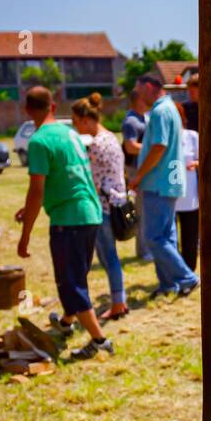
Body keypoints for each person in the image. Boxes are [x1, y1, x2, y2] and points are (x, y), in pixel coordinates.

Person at [16, 86, 112, 360]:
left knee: (70, 282)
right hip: (89, 213)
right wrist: (29, 208)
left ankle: (100, 340)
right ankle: (67, 322)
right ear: (53, 107)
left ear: (27, 110)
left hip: (68, 220)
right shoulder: (69, 132)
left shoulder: (39, 141)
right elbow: (65, 177)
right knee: (76, 276)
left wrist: (25, 236)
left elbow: (36, 190)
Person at [127, 74, 199, 298]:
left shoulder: (160, 111)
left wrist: (139, 175)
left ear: (149, 87)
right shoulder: (170, 108)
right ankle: (168, 284)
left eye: (139, 91)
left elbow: (159, 146)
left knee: (153, 237)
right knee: (166, 236)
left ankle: (187, 278)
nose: (139, 96)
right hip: (169, 181)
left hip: (158, 182)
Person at [71, 97, 129, 322]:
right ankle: (119, 300)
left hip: (103, 206)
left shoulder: (96, 145)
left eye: (76, 122)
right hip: (116, 202)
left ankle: (118, 303)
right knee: (109, 255)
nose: (75, 127)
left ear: (86, 120)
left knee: (108, 256)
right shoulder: (111, 137)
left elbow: (92, 180)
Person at [122, 86, 151, 259]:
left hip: (143, 169)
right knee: (142, 211)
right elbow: (130, 147)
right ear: (139, 100)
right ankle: (143, 251)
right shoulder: (131, 121)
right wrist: (154, 148)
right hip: (136, 170)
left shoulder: (143, 118)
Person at [175, 102, 200, 271]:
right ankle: (175, 271)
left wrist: (195, 164)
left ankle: (189, 272)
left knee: (190, 236)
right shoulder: (165, 140)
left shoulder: (192, 136)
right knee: (171, 239)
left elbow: (203, 158)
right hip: (170, 195)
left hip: (189, 196)